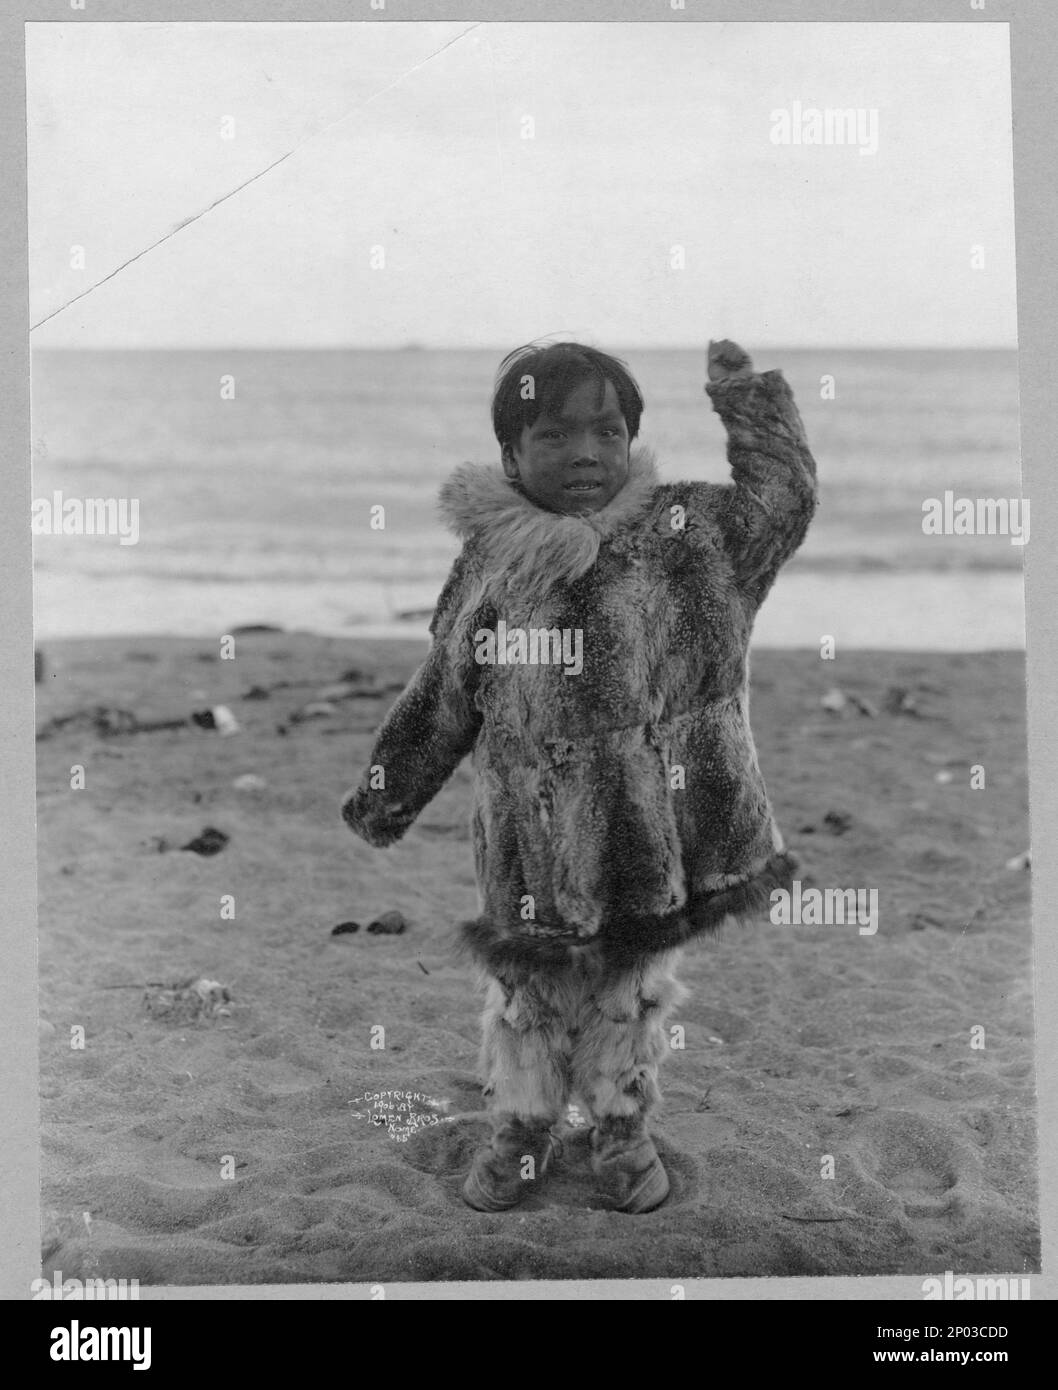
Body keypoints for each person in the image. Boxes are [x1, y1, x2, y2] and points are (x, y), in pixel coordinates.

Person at [342, 338, 818, 1213]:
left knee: (630, 990)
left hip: (658, 831)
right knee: (529, 992)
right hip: (533, 840)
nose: (587, 454)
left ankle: (622, 1135)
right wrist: (387, 794)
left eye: (606, 430)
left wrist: (745, 401)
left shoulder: (690, 533)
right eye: (555, 436)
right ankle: (521, 1131)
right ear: (512, 454)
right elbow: (446, 691)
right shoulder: (493, 563)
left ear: (631, 440)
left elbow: (782, 502)